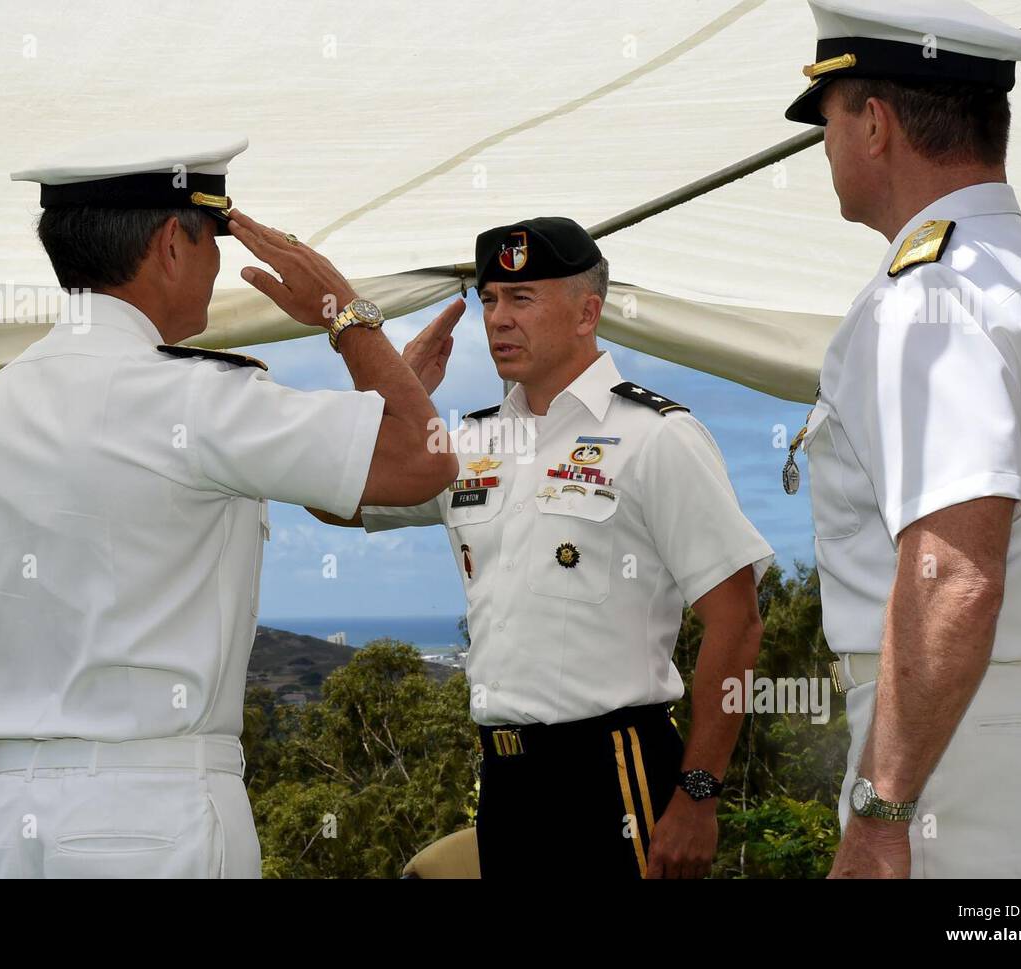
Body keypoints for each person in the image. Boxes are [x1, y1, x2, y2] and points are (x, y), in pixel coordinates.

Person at [0, 133, 457, 878]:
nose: (219, 263)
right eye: (214, 239)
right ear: (171, 243)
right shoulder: (198, 398)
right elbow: (424, 459)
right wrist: (342, 308)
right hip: (156, 819)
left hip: (13, 824)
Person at [310, 217, 773, 878]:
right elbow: (331, 502)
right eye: (490, 299)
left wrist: (698, 794)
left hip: (616, 771)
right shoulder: (465, 443)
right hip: (505, 779)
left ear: (588, 312)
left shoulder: (658, 437)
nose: (498, 318)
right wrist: (384, 399)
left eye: (522, 299)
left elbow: (738, 622)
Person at [784, 0, 1021, 877]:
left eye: (826, 119)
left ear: (874, 124)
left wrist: (881, 809)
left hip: (971, 756)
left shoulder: (926, 296)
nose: (822, 147)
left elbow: (955, 576)